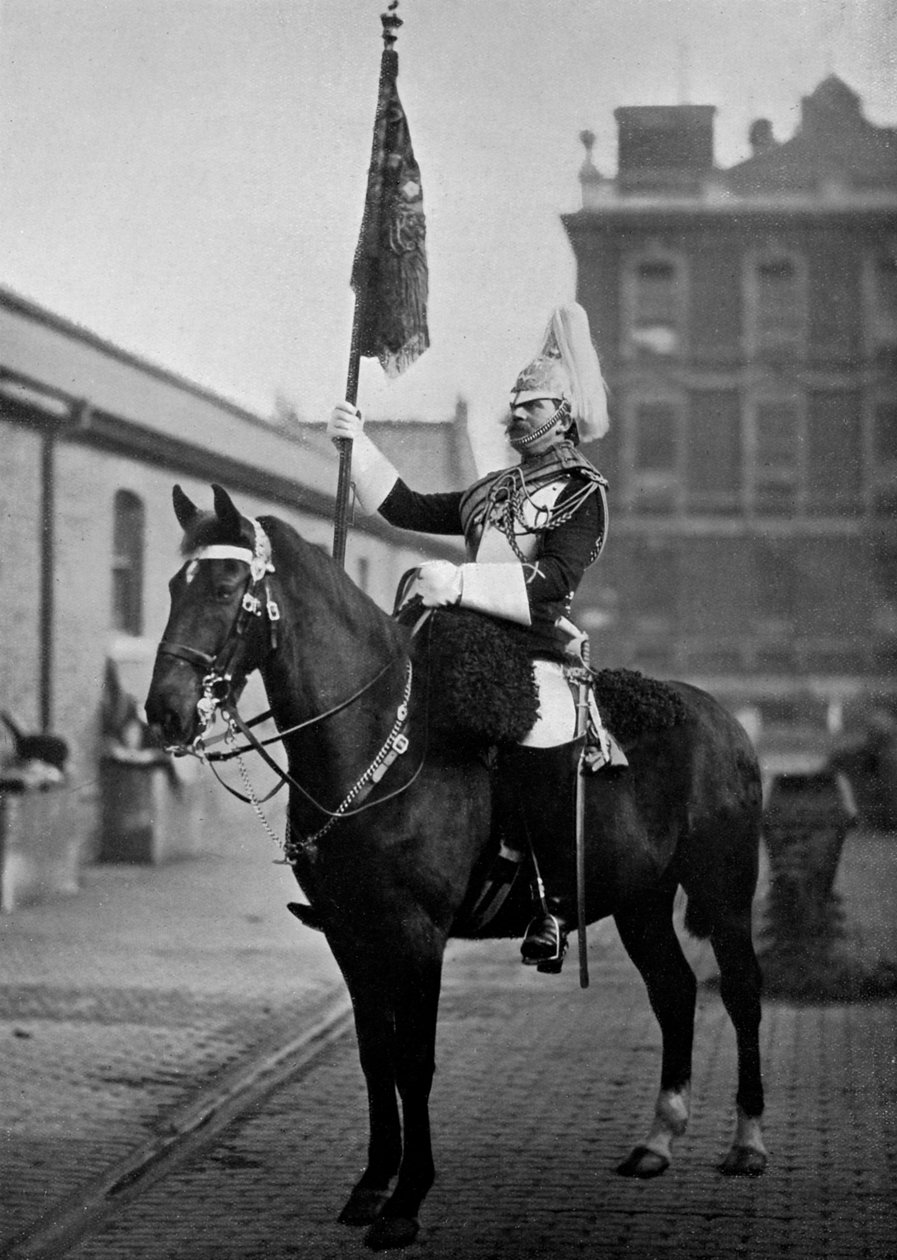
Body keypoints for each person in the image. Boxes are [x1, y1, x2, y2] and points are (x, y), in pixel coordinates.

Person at [328, 302, 612, 971]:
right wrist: (357, 443)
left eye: (531, 405)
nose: (515, 415)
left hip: (535, 643)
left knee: (536, 743)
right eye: (513, 405)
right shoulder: (491, 489)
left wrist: (458, 585)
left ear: (563, 414)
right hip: (462, 640)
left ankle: (549, 903)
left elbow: (552, 579)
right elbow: (405, 507)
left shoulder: (580, 495)